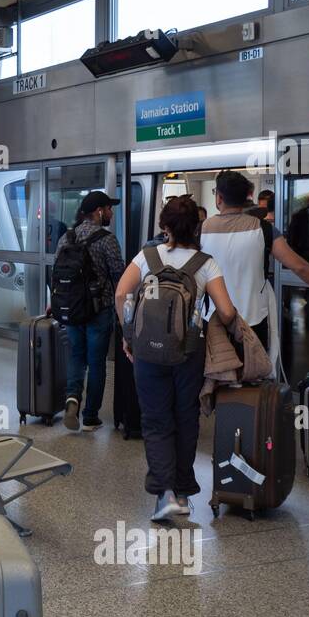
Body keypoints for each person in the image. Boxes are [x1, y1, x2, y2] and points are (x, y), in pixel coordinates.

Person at [115, 196, 237, 523]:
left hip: (147, 354)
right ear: (195, 227)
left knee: (155, 421)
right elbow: (225, 311)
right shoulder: (205, 263)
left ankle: (163, 494)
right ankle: (182, 493)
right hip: (188, 353)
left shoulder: (146, 257)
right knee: (186, 419)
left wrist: (130, 337)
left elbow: (121, 294)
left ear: (164, 226)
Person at [201, 171, 309, 360]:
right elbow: (299, 267)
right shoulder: (263, 229)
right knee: (252, 376)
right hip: (252, 319)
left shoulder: (201, 230)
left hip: (212, 318)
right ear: (246, 198)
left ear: (219, 198)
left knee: (214, 374)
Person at [55, 190, 126, 432]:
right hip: (99, 310)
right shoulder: (107, 239)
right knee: (96, 362)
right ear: (99, 211)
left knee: (76, 356)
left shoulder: (67, 238)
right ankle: (90, 417)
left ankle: (72, 398)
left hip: (73, 309)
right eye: (109, 209)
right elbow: (120, 276)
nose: (111, 213)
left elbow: (58, 274)